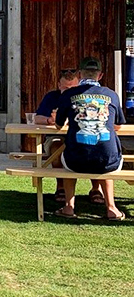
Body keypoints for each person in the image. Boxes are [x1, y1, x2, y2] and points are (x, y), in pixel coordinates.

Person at [54, 56, 126, 221]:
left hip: (75, 160)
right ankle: (111, 209)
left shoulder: (68, 94)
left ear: (79, 74)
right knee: (106, 154)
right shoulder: (112, 95)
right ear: (100, 75)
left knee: (68, 157)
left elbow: (58, 125)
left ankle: (69, 207)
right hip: (108, 160)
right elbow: (118, 125)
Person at [35, 68, 104, 206]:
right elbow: (37, 117)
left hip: (82, 135)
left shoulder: (85, 97)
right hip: (57, 136)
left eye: (72, 87)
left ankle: (96, 188)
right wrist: (49, 120)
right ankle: (60, 187)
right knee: (57, 146)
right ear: (59, 85)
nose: (68, 91)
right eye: (65, 88)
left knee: (97, 146)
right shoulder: (52, 97)